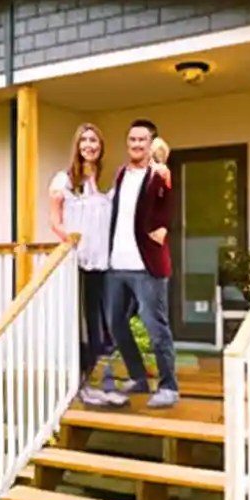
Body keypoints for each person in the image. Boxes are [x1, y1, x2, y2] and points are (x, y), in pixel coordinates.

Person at [48, 122, 127, 407]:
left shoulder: (105, 182)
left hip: (104, 264)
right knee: (85, 326)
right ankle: (83, 386)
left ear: (100, 146)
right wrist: (69, 239)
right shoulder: (65, 180)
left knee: (108, 325)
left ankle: (100, 384)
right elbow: (55, 221)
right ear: (77, 146)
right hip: (79, 264)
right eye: (85, 141)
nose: (90, 145)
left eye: (94, 140)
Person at [105, 119, 180, 408]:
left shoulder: (159, 173)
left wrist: (162, 228)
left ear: (151, 144)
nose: (137, 144)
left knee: (155, 326)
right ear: (128, 143)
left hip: (147, 265)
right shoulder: (121, 174)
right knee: (116, 323)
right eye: (132, 140)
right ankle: (138, 377)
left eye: (142, 140)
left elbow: (169, 206)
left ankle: (168, 386)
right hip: (117, 264)